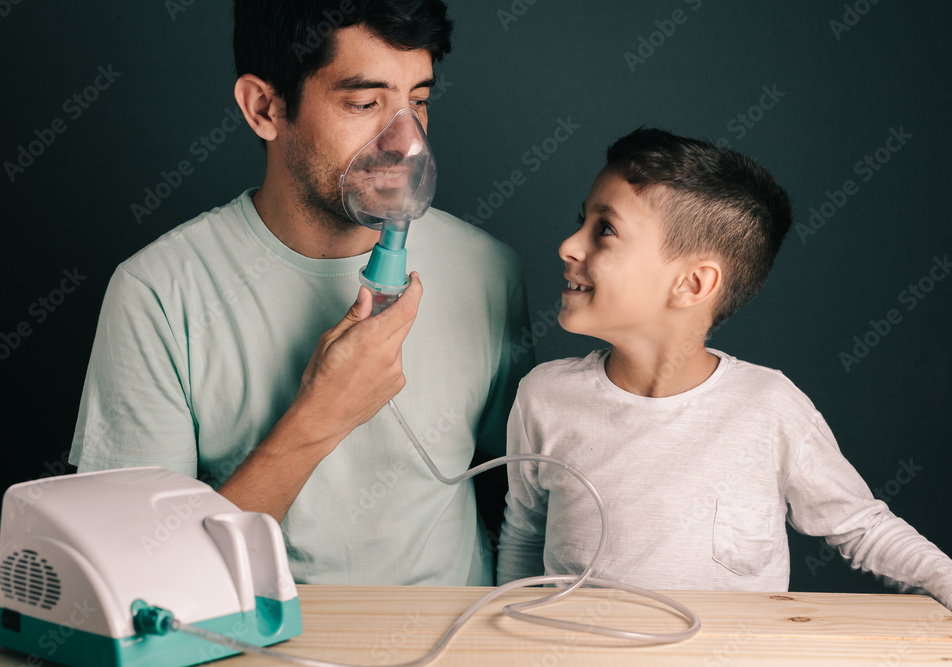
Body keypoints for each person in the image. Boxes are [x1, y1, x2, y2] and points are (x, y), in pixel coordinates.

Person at [69, 0, 534, 586]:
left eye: (417, 101)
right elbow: (141, 575)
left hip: (448, 641)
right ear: (264, 108)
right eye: (364, 104)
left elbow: (519, 499)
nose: (404, 142)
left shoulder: (488, 271)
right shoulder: (158, 295)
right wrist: (322, 413)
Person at [496, 128, 952, 608]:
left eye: (605, 229)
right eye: (581, 221)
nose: (569, 244)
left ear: (692, 284)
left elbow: (863, 528)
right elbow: (525, 534)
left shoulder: (768, 407)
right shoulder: (544, 395)